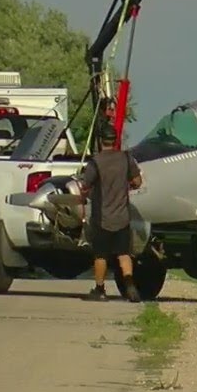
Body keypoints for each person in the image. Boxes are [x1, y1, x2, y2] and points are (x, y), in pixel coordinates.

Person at [79, 123, 143, 302]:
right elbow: (137, 181)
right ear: (115, 140)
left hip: (102, 217)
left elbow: (85, 186)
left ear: (100, 140)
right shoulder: (126, 158)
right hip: (122, 216)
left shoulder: (96, 161)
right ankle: (130, 285)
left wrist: (83, 194)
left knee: (100, 255)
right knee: (124, 253)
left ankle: (99, 290)